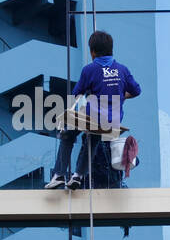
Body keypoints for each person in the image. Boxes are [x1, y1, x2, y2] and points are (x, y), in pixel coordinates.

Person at [45, 30, 141, 190]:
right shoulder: (122, 70)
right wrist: (121, 97)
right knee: (92, 140)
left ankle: (59, 174)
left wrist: (69, 112)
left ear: (93, 51)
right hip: (112, 121)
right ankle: (78, 176)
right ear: (111, 49)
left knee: (68, 135)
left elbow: (76, 93)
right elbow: (137, 91)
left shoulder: (89, 69)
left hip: (93, 117)